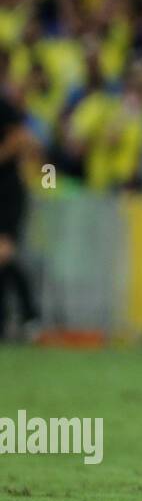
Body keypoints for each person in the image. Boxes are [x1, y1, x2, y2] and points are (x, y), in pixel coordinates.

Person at [0, 89, 40, 339]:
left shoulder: (2, 106)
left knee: (3, 253)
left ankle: (30, 315)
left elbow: (22, 137)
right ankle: (15, 320)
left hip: (7, 191)